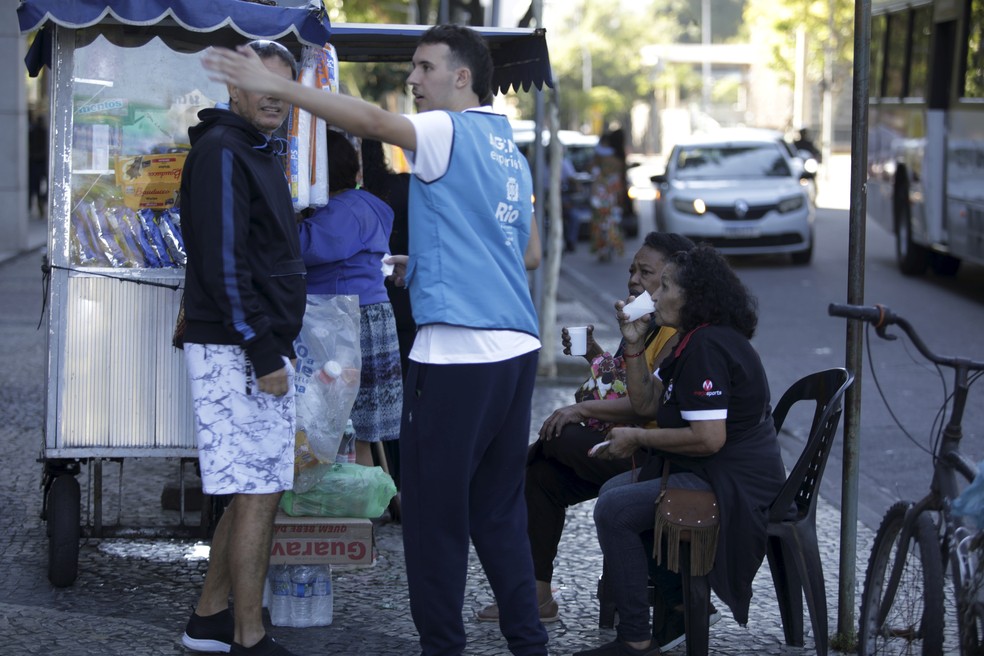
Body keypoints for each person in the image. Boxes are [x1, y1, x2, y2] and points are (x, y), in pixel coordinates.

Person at [203, 24, 547, 656]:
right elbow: (527, 251)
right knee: (498, 514)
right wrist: (435, 260)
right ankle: (530, 645)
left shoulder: (449, 128)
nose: (413, 80)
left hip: (456, 355)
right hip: (515, 351)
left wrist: (279, 84)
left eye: (424, 67)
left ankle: (442, 648)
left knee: (434, 522)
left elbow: (371, 121)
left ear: (462, 77)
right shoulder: (510, 151)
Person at [574, 244, 787, 656]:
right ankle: (674, 605)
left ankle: (636, 636)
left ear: (694, 296)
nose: (653, 295)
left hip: (730, 482)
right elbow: (647, 404)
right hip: (711, 469)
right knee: (613, 490)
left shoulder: (708, 346)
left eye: (666, 285)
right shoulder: (690, 340)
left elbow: (709, 439)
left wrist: (637, 438)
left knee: (613, 510)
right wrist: (633, 346)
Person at [476, 232, 695, 628]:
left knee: (556, 439)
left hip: (655, 452)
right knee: (540, 476)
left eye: (647, 273)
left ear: (674, 278)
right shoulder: (645, 324)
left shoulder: (674, 330)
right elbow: (623, 387)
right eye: (632, 270)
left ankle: (492, 477)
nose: (633, 280)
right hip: (626, 443)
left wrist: (577, 408)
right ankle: (536, 596)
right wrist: (594, 353)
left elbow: (646, 404)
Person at [178, 40, 305, 656]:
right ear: (232, 88)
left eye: (284, 86)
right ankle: (247, 637)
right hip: (238, 348)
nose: (274, 97)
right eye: (260, 83)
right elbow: (222, 262)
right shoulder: (225, 152)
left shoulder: (254, 151)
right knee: (257, 492)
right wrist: (260, 352)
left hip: (255, 344)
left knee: (259, 485)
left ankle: (209, 617)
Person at [298, 130, 403, 468]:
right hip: (371, 316)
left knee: (345, 419)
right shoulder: (368, 205)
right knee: (363, 426)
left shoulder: (342, 212)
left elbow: (307, 248)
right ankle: (366, 508)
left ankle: (353, 510)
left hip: (347, 321)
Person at [589, 131, 626, 263]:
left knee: (600, 224)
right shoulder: (617, 161)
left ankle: (602, 249)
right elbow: (619, 184)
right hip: (612, 198)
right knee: (611, 224)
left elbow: (595, 181)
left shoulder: (597, 160)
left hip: (601, 197)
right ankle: (611, 247)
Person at [28, 110, 48, 218]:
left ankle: (40, 202)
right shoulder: (37, 132)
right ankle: (39, 202)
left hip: (39, 162)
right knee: (35, 186)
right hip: (38, 162)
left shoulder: (38, 132)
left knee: (35, 186)